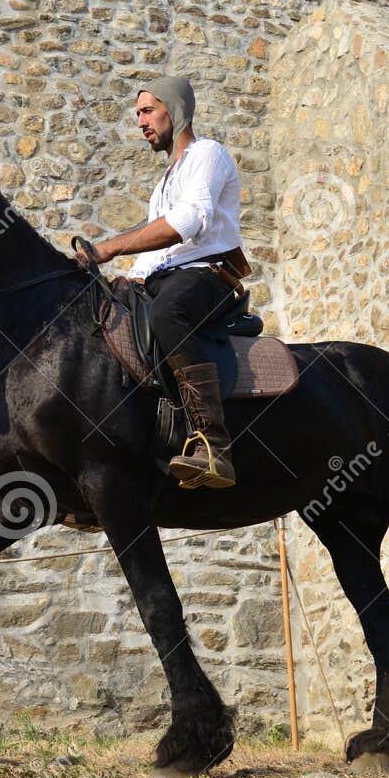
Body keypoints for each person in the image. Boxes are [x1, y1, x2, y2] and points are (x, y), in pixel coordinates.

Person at [76, 75, 248, 489]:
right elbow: (155, 254)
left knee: (167, 314)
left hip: (208, 275)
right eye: (138, 114)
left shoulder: (208, 153)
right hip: (166, 278)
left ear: (176, 110)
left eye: (148, 111)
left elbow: (188, 223)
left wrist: (110, 248)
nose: (140, 122)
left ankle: (213, 445)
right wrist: (124, 282)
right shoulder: (163, 183)